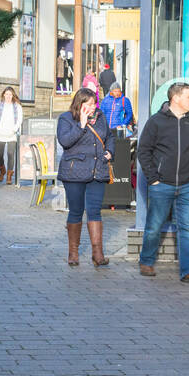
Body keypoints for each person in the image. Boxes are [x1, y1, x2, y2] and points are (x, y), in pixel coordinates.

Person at [137, 82, 189, 283]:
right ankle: (146, 261)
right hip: (161, 185)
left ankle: (188, 271)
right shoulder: (156, 122)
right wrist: (153, 179)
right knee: (154, 225)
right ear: (176, 98)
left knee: (187, 228)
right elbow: (143, 151)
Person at [56, 88, 115, 267]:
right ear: (79, 103)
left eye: (93, 103)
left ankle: (98, 253)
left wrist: (110, 152)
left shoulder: (101, 117)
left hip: (98, 171)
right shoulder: (66, 118)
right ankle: (73, 253)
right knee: (76, 211)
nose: (92, 107)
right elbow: (65, 141)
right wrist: (81, 125)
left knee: (95, 211)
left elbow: (110, 136)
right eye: (88, 104)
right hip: (74, 172)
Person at [0, 86, 23, 184]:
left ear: (13, 95)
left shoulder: (17, 106)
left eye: (10, 94)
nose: (8, 96)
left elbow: (19, 119)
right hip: (0, 134)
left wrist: (14, 130)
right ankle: (2, 170)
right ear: (4, 95)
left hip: (12, 135)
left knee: (10, 154)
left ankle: (9, 175)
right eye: (7, 94)